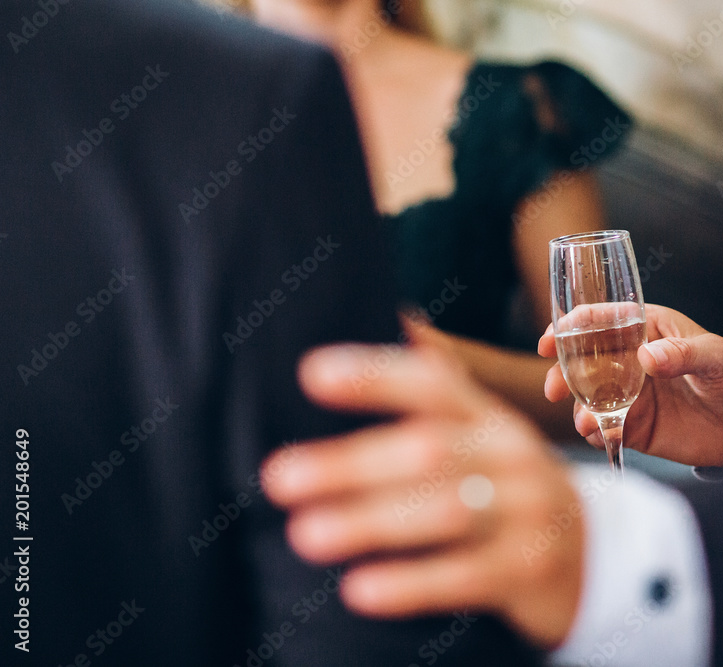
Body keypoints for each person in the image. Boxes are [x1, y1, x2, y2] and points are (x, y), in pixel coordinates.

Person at [260, 0, 723, 664]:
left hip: (460, 549)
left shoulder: (509, 105)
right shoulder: (190, 101)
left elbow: (583, 363)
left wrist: (610, 552)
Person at [0, 0, 542, 664]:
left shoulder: (506, 105)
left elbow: (593, 376)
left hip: (417, 528)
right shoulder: (165, 92)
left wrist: (440, 359)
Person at [237, 0, 631, 437]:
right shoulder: (176, 100)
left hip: (444, 485)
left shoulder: (518, 108)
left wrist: (432, 353)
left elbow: (605, 383)